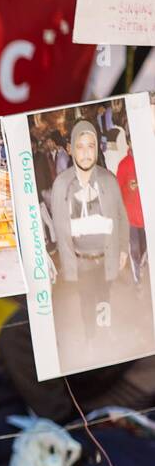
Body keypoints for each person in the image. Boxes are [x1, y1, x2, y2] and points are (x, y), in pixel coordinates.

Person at [47, 119, 130, 343]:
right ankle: (91, 337)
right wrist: (68, 264)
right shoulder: (62, 185)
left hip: (105, 256)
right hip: (81, 260)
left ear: (96, 149)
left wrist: (123, 248)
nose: (85, 153)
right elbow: (60, 227)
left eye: (90, 146)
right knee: (86, 301)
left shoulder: (109, 180)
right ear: (72, 149)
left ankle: (104, 333)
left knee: (104, 298)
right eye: (80, 147)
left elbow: (121, 216)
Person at [110, 127, 145, 283]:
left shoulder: (146, 157)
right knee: (135, 250)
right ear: (129, 142)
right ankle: (137, 277)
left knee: (145, 248)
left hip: (146, 215)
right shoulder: (124, 164)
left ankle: (143, 268)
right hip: (130, 218)